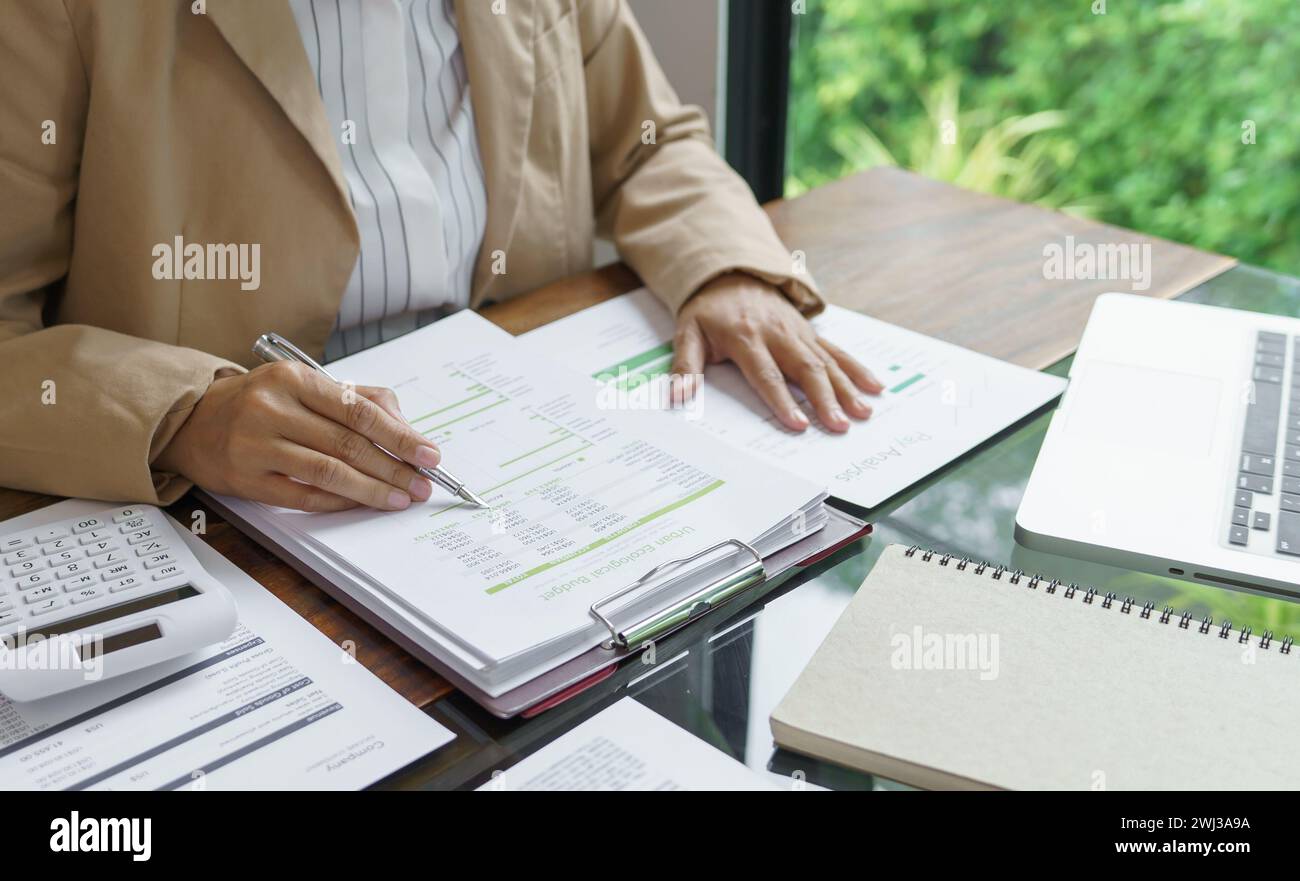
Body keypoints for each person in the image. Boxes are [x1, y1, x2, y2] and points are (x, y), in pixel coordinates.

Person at [0, 0, 881, 513]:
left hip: (534, 460)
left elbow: (647, 143)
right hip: (241, 513)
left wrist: (724, 265)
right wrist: (184, 413)